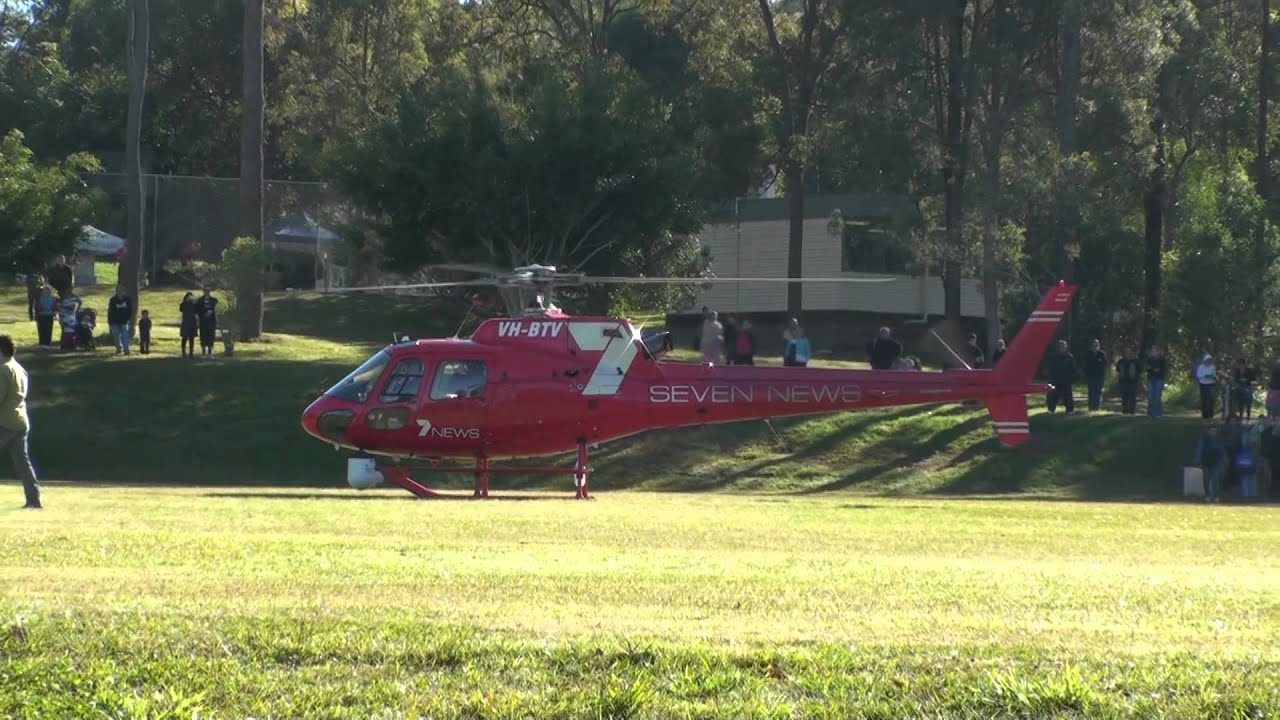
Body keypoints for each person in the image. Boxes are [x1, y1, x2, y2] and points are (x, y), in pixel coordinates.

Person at [0, 336, 40, 509]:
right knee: (23, 463)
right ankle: (33, 499)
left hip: (5, 423)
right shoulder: (19, 368)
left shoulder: (3, 370)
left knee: (22, 462)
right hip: (21, 420)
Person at [1194, 425, 1226, 502]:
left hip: (1216, 462)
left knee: (1216, 480)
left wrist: (1224, 459)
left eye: (1215, 431)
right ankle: (1207, 495)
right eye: (1211, 431)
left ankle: (1215, 495)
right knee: (1206, 480)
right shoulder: (1203, 440)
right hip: (1206, 462)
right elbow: (1199, 450)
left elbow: (1222, 450)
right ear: (1208, 431)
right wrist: (1197, 460)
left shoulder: (1219, 440)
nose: (1213, 432)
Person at [1047, 340, 1076, 413]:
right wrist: (1051, 378)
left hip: (1066, 380)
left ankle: (1069, 410)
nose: (1062, 348)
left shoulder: (1070, 357)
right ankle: (1051, 410)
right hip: (1056, 380)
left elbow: (1073, 369)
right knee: (1053, 396)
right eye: (1061, 346)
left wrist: (1072, 378)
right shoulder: (1054, 357)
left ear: (1066, 347)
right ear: (1058, 347)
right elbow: (1051, 368)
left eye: (1064, 346)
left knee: (1068, 396)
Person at [106, 283, 135, 355]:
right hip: (114, 321)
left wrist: (128, 318)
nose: (119, 292)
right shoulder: (113, 300)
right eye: (118, 290)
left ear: (123, 291)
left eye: (121, 290)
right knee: (116, 335)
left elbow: (130, 310)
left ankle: (126, 349)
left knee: (124, 335)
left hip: (124, 321)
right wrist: (110, 321)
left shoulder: (127, 299)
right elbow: (110, 311)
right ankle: (118, 348)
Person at [195, 287, 220, 358]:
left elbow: (215, 306)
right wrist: (203, 314)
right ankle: (203, 352)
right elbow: (197, 310)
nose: (207, 292)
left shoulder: (213, 300)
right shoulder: (200, 301)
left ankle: (209, 352)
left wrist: (211, 312)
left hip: (211, 322)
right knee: (203, 336)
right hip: (203, 322)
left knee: (211, 336)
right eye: (206, 291)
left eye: (208, 291)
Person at [1115, 348, 1142, 415]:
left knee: (1132, 397)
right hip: (1123, 381)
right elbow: (1118, 370)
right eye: (1126, 352)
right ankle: (1125, 411)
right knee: (1124, 397)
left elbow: (1139, 370)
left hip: (1133, 382)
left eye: (1129, 352)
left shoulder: (1135, 361)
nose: (1128, 354)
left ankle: (1132, 411)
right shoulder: (1121, 361)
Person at [1083, 339, 1107, 411]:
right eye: (1094, 345)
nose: (1095, 346)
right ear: (1091, 346)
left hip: (1099, 376)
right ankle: (1091, 407)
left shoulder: (1102, 354)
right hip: (1091, 376)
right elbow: (1085, 365)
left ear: (1099, 346)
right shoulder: (1088, 354)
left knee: (1098, 392)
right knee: (1091, 392)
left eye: (1096, 345)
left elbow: (1105, 364)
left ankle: (1097, 407)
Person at [33, 284, 57, 349]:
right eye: (44, 290)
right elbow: (36, 306)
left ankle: (47, 343)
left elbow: (54, 307)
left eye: (46, 290)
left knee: (48, 330)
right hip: (41, 315)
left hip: (49, 315)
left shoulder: (53, 298)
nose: (45, 291)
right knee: (41, 330)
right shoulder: (39, 297)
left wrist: (53, 311)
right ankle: (42, 343)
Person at [1195, 354, 1218, 420]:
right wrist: (1205, 376)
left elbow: (1214, 375)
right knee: (1204, 399)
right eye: (1207, 360)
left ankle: (1211, 414)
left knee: (1211, 399)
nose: (1208, 361)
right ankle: (1205, 415)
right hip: (1203, 383)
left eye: (1209, 360)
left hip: (1210, 383)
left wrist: (1212, 377)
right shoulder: (1201, 367)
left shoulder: (1212, 367)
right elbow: (1198, 375)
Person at [1146, 347, 1167, 418]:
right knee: (1151, 396)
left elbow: (1163, 369)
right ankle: (1150, 411)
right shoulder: (1149, 359)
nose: (1154, 352)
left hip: (1159, 379)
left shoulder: (1162, 360)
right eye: (1152, 351)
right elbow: (1148, 369)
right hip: (1150, 379)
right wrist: (1153, 369)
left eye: (1155, 351)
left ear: (1158, 352)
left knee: (1157, 396)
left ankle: (1157, 413)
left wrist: (1156, 370)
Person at [179, 292, 199, 358]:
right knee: (184, 338)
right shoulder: (184, 304)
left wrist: (195, 301)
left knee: (191, 339)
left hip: (192, 323)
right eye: (188, 297)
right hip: (185, 323)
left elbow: (197, 310)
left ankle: (191, 352)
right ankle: (183, 351)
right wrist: (186, 301)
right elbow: (181, 309)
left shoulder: (194, 304)